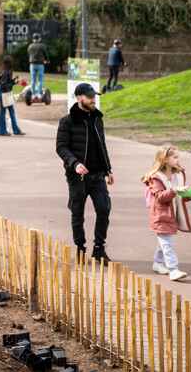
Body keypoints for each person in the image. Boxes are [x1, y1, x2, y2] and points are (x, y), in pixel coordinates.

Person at [56, 82, 114, 264]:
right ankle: (80, 248)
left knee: (104, 208)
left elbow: (101, 145)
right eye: (89, 97)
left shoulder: (98, 118)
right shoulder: (67, 121)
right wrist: (75, 164)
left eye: (94, 97)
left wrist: (108, 169)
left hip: (98, 174)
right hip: (77, 176)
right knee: (77, 212)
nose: (92, 100)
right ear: (79, 97)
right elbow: (61, 147)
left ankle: (99, 249)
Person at [142, 144, 191, 282]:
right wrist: (175, 189)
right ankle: (173, 269)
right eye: (175, 157)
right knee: (167, 243)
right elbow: (160, 196)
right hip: (161, 215)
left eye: (179, 157)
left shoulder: (178, 173)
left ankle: (158, 263)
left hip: (172, 213)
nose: (178, 160)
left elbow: (180, 195)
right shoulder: (155, 178)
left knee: (164, 242)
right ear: (165, 159)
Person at [0, 55, 25, 136]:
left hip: (2, 93)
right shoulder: (7, 72)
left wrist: (13, 81)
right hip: (4, 93)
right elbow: (4, 85)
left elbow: (4, 83)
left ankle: (15, 130)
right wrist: (14, 82)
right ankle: (3, 131)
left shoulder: (3, 71)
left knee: (9, 111)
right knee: (4, 112)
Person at [27, 32, 49, 97]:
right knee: (40, 79)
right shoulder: (41, 46)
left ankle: (33, 94)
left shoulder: (30, 46)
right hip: (40, 65)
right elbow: (46, 54)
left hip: (32, 65)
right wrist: (47, 60)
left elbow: (28, 54)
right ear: (39, 39)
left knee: (33, 79)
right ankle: (39, 93)